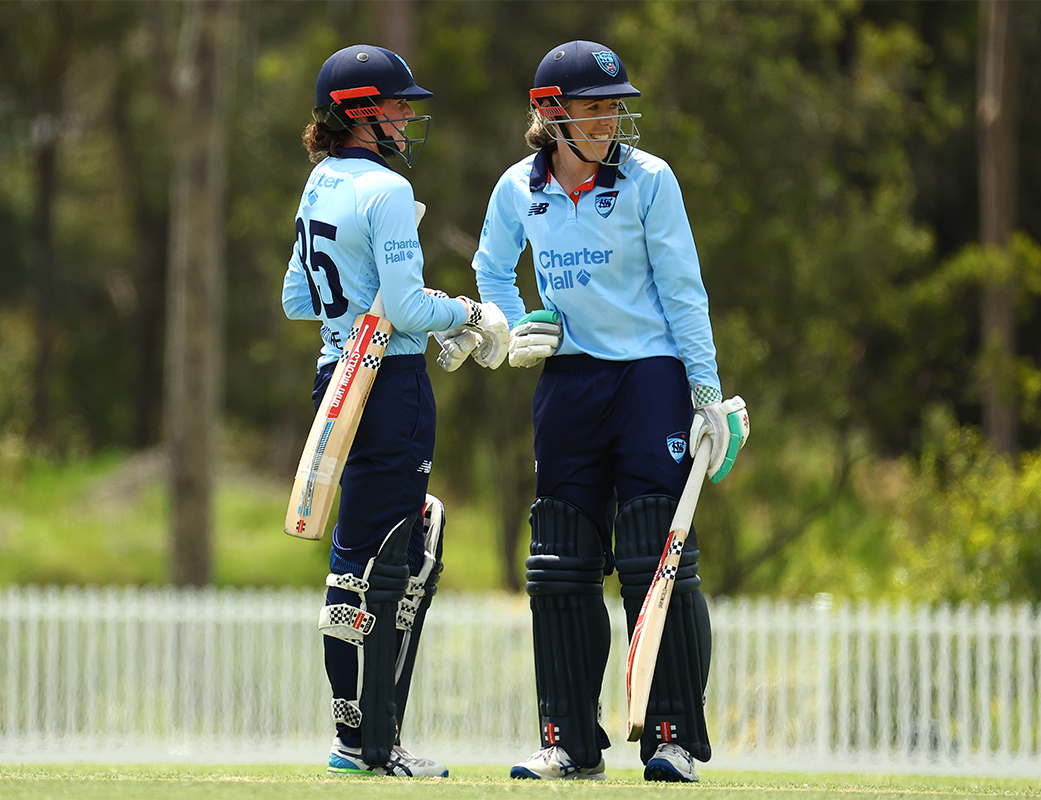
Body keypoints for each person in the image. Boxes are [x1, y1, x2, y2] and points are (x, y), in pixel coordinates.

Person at [458, 40, 750, 782]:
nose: (610, 121)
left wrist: (706, 394)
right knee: (558, 562)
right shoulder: (515, 189)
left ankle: (672, 736)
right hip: (568, 379)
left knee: (655, 558)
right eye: (594, 109)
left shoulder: (650, 181)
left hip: (650, 374)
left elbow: (684, 290)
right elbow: (490, 268)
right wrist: (516, 318)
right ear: (550, 115)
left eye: (616, 107)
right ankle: (566, 740)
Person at [281, 44, 507, 778]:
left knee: (366, 557)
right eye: (398, 105)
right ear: (358, 112)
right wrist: (468, 312)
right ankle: (369, 745)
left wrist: (380, 314)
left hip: (335, 378)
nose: (409, 117)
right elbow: (406, 305)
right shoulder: (380, 189)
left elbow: (296, 298)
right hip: (390, 386)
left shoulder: (321, 182)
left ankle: (364, 736)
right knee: (383, 563)